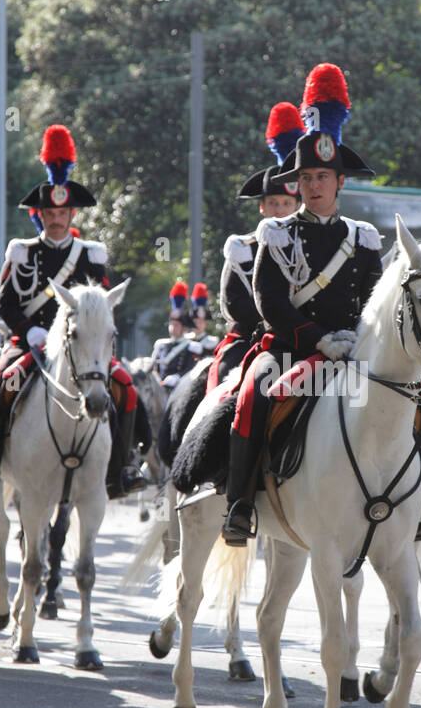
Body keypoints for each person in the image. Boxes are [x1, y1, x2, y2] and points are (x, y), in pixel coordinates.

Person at [221, 63, 382, 545]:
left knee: (401, 396)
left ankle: (405, 502)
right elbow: (269, 300)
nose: (314, 185)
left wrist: (353, 338)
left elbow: (374, 300)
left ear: (341, 182)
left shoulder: (365, 238)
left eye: (324, 176)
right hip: (290, 350)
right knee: (253, 393)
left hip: (350, 350)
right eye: (307, 177)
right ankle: (240, 503)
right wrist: (316, 340)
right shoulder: (275, 233)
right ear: (297, 183)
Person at [0, 124, 146, 500]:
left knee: (128, 390)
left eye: (63, 211)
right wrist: (28, 330)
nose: (56, 218)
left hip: (80, 346)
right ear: (40, 214)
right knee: (0, 385)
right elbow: (5, 303)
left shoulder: (90, 254)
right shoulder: (23, 251)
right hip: (30, 341)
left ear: (71, 215)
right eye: (50, 211)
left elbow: (99, 305)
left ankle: (123, 469)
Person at [212, 102, 302, 390]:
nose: (280, 210)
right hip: (250, 338)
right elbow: (233, 302)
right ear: (262, 207)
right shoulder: (242, 247)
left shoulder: (306, 247)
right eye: (273, 204)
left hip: (300, 339)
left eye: (286, 204)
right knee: (218, 388)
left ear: (297, 205)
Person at [151, 282, 205, 388]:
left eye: (176, 325)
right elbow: (154, 368)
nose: (172, 327)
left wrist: (178, 377)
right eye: (171, 324)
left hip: (180, 388)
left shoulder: (191, 347)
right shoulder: (161, 345)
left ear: (184, 328)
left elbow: (192, 369)